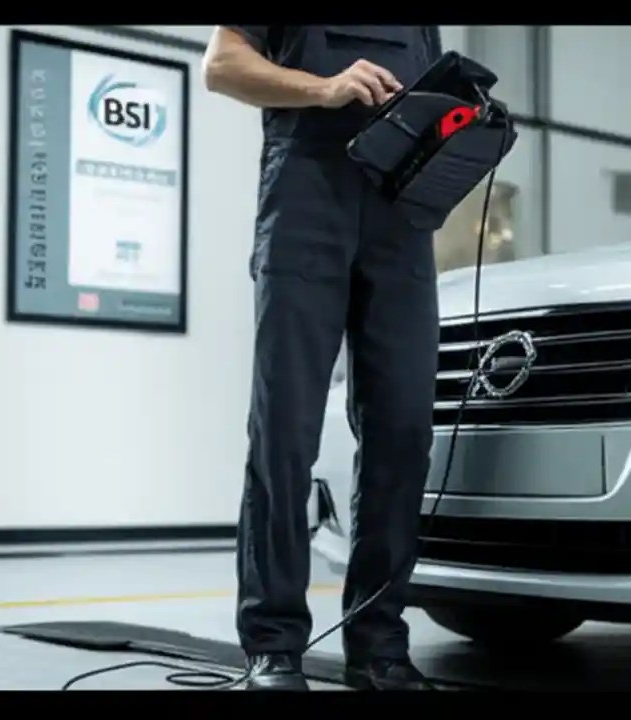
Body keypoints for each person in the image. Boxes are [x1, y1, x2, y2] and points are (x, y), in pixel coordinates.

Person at [202, 25, 444, 691]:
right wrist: (325, 88)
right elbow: (221, 66)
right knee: (286, 427)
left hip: (401, 211)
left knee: (403, 430)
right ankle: (274, 644)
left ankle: (379, 645)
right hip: (307, 192)